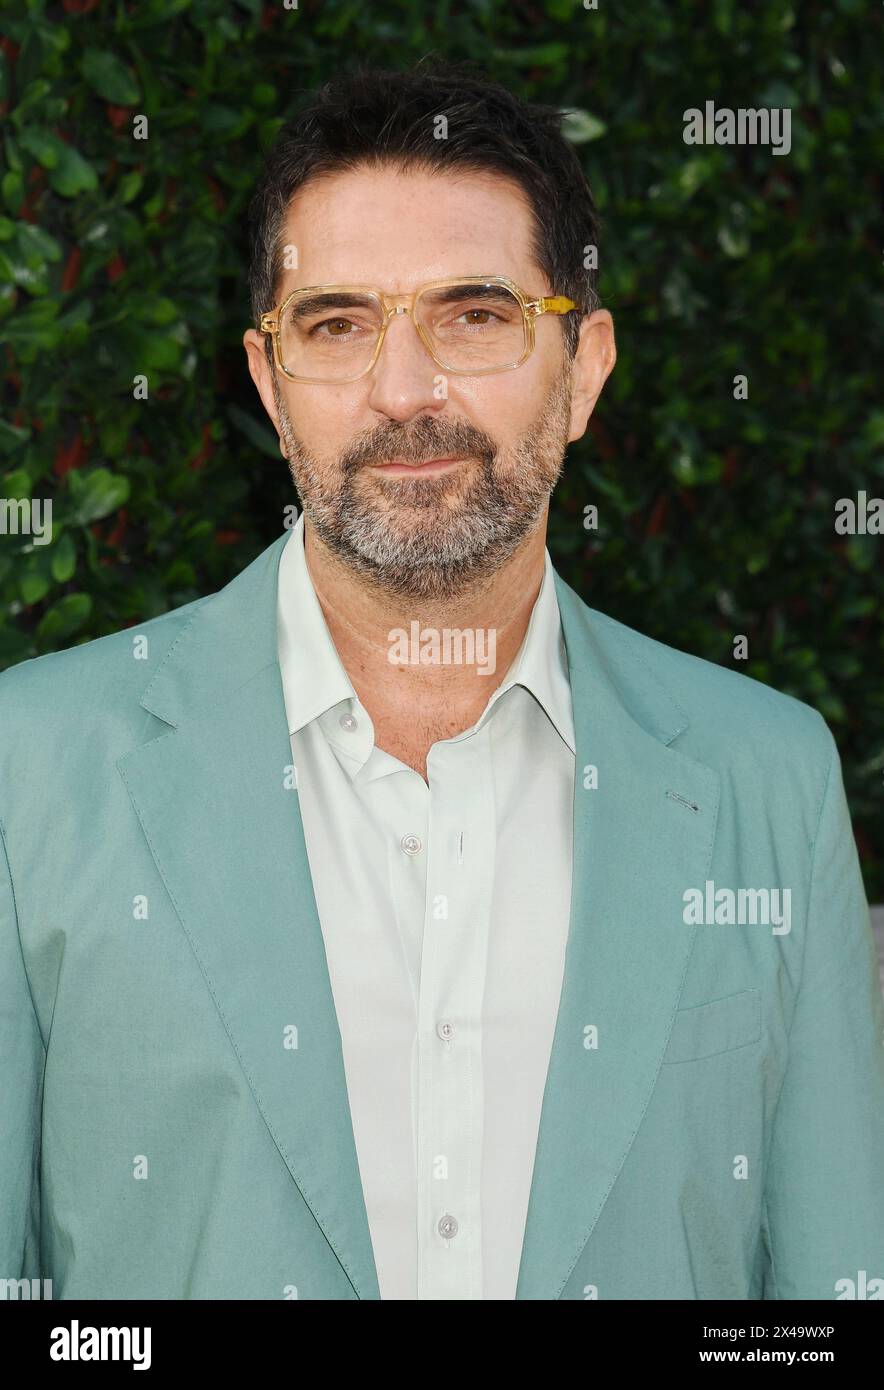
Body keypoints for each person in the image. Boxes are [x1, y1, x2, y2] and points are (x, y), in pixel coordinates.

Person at [1, 61, 882, 1302]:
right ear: (268, 383)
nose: (403, 391)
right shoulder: (31, 769)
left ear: (580, 368)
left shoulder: (766, 778)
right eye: (337, 324)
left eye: (474, 315)